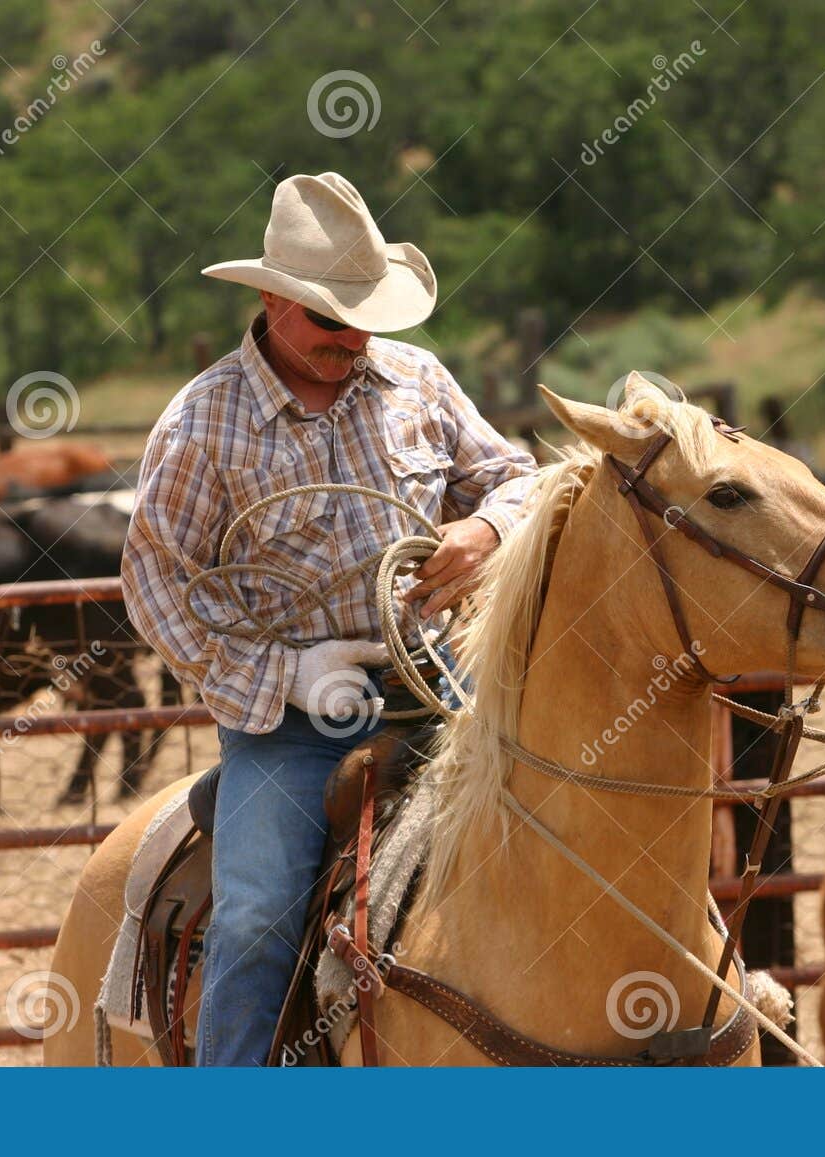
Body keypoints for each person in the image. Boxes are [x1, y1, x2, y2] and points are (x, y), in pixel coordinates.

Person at [121, 171, 536, 1065]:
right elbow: (155, 580)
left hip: (438, 682)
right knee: (261, 913)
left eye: (364, 320)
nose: (352, 339)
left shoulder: (416, 379)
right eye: (330, 321)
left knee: (564, 826)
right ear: (274, 303)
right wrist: (286, 675)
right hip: (291, 725)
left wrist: (480, 529)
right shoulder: (203, 422)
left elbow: (518, 477)